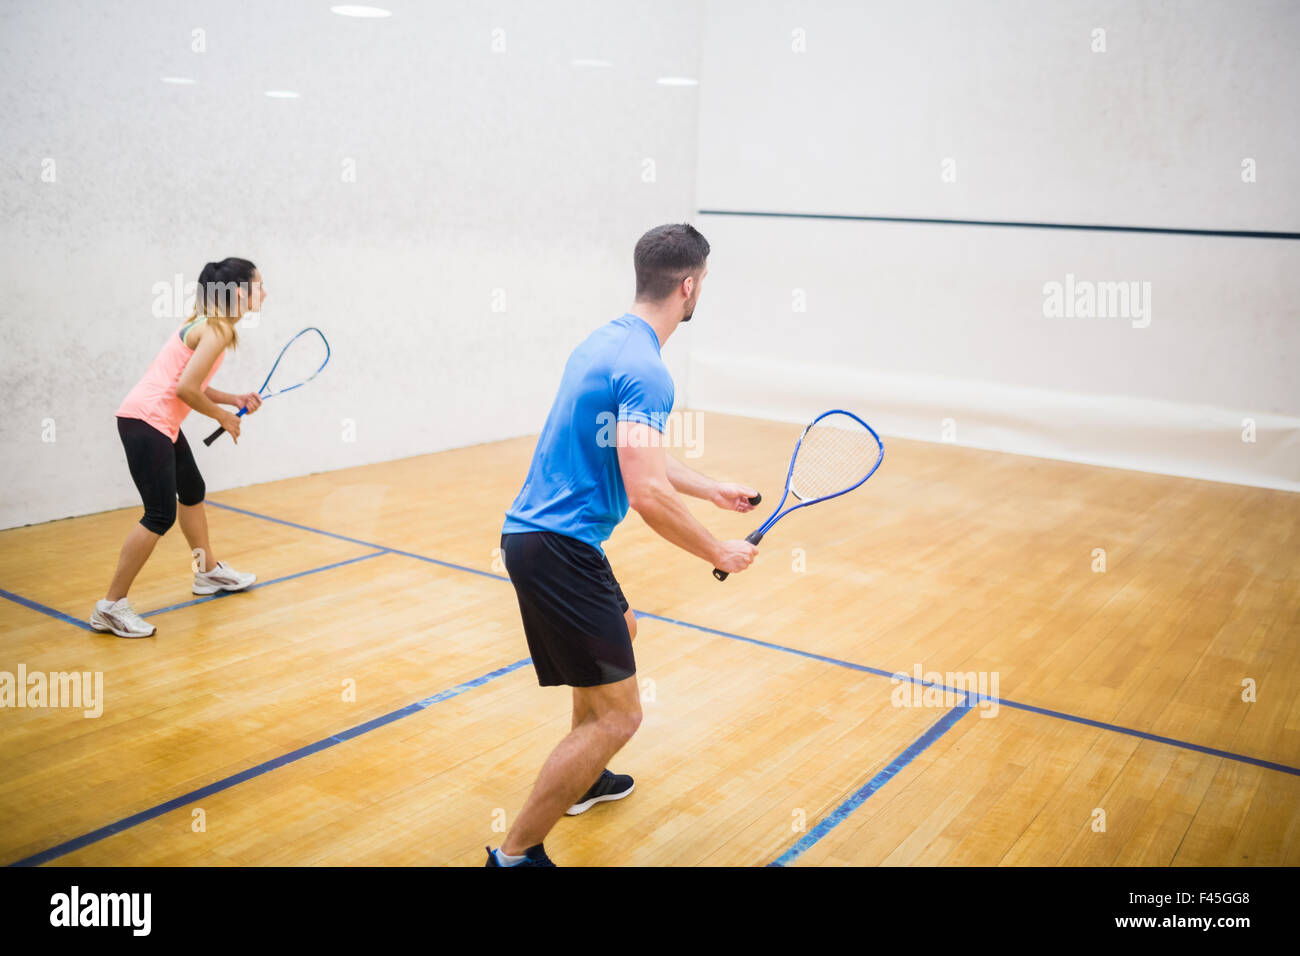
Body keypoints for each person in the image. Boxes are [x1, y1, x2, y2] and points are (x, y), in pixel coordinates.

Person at [488, 224, 760, 867]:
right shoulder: (649, 372)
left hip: (547, 538)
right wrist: (718, 551)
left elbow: (643, 461)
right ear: (689, 286)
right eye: (703, 286)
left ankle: (584, 779)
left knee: (625, 628)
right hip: (558, 548)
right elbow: (645, 494)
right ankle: (515, 853)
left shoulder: (604, 342)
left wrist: (712, 488)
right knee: (620, 718)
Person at [90, 258, 266, 638]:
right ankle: (110, 606)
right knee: (159, 515)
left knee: (192, 490)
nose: (264, 293)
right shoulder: (216, 330)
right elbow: (185, 390)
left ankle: (207, 573)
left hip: (153, 421)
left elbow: (190, 382)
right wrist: (223, 416)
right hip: (146, 422)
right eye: (259, 286)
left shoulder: (205, 323)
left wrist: (233, 397)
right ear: (239, 293)